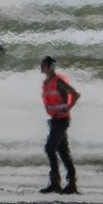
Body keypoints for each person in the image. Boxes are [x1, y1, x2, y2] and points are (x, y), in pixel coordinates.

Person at [38, 55, 80, 195]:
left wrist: (68, 108)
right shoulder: (46, 83)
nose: (41, 66)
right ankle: (71, 185)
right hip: (55, 120)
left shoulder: (58, 81)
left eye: (43, 65)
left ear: (49, 67)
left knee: (50, 147)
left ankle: (56, 183)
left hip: (61, 120)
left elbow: (75, 94)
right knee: (62, 152)